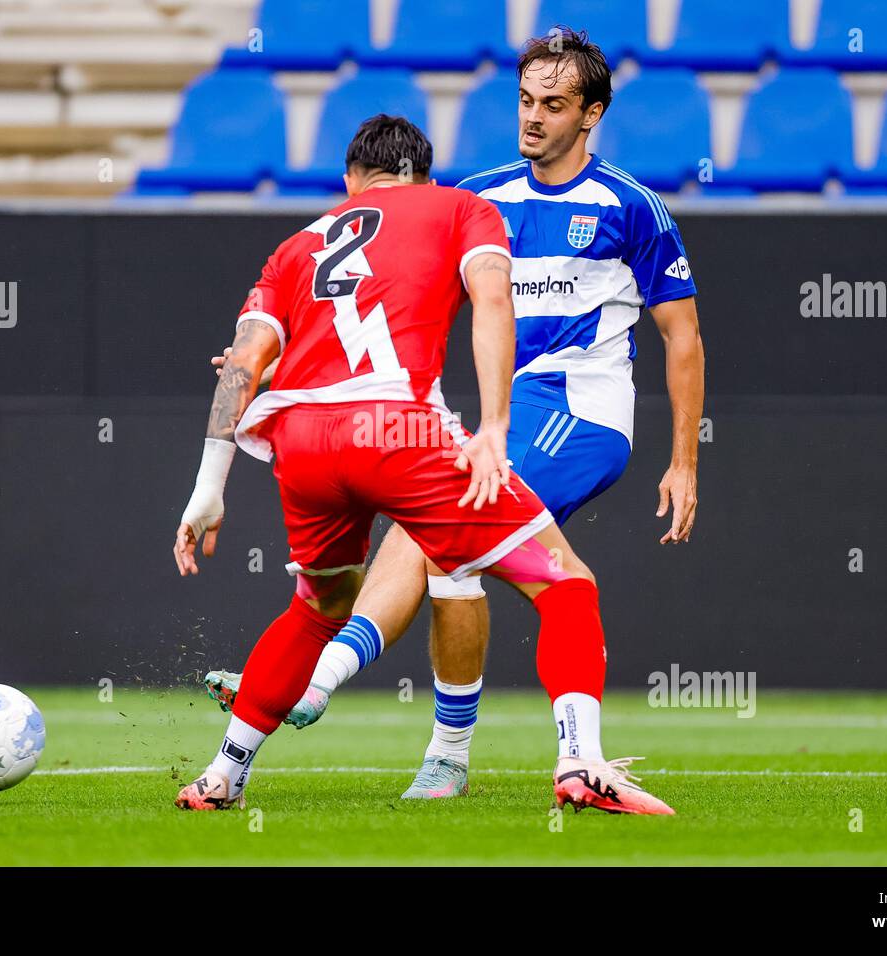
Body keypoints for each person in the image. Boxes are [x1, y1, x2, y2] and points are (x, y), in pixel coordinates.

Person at [204, 28, 705, 802]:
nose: (534, 118)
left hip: (583, 407)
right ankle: (453, 757)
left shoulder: (631, 206)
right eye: (526, 101)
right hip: (511, 407)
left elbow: (682, 337)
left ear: (592, 113)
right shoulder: (478, 196)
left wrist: (683, 461)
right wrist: (291, 354)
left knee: (429, 533)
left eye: (555, 105)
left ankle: (326, 681)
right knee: (451, 554)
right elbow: (388, 293)